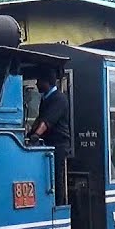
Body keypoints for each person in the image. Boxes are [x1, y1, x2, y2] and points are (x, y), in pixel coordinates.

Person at [27, 74, 71, 203]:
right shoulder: (45, 98)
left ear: (47, 82)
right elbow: (40, 118)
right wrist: (29, 133)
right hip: (47, 142)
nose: (36, 84)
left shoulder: (59, 98)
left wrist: (36, 135)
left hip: (58, 144)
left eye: (39, 81)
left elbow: (47, 121)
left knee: (57, 177)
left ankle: (58, 202)